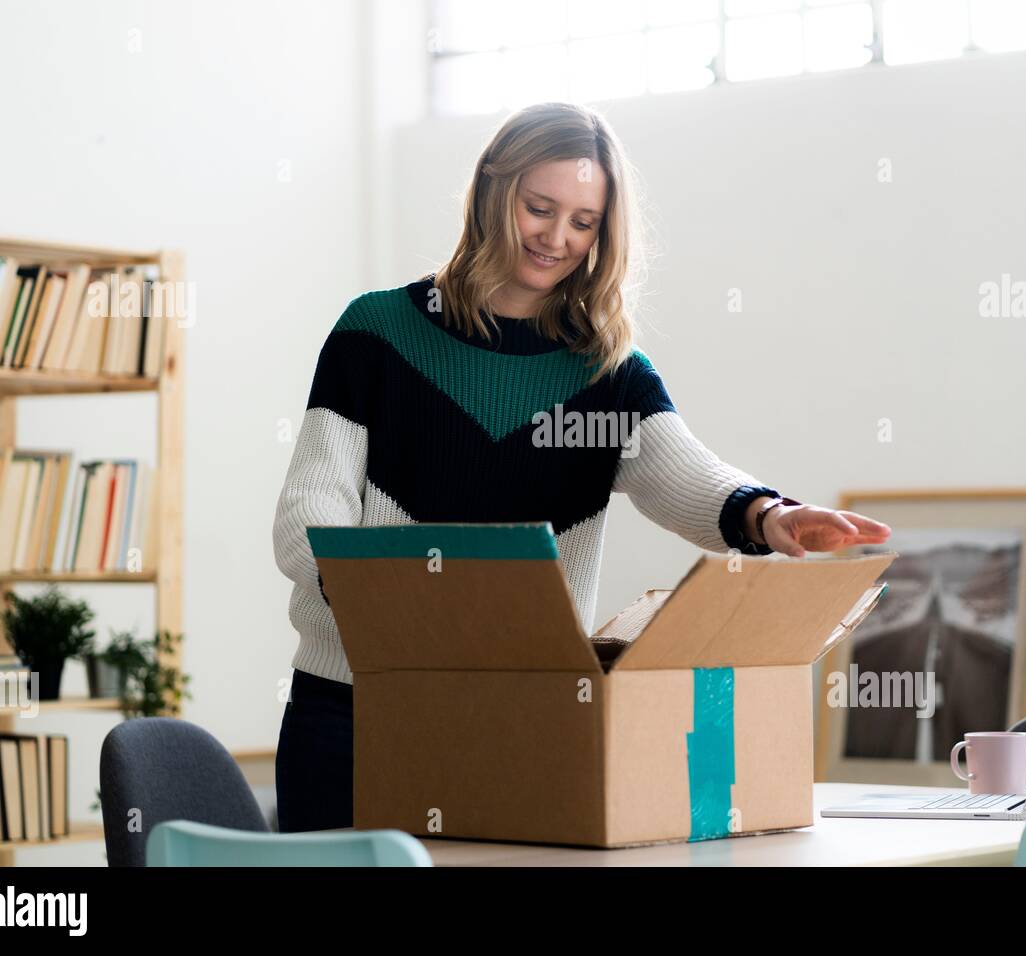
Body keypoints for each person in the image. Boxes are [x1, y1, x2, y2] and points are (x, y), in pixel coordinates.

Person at [271, 101, 891, 833]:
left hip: (524, 723)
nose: (557, 238)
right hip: (354, 711)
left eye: (583, 221)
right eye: (539, 208)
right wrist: (397, 609)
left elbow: (684, 476)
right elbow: (308, 514)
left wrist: (772, 517)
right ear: (491, 192)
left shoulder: (607, 371)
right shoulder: (375, 334)